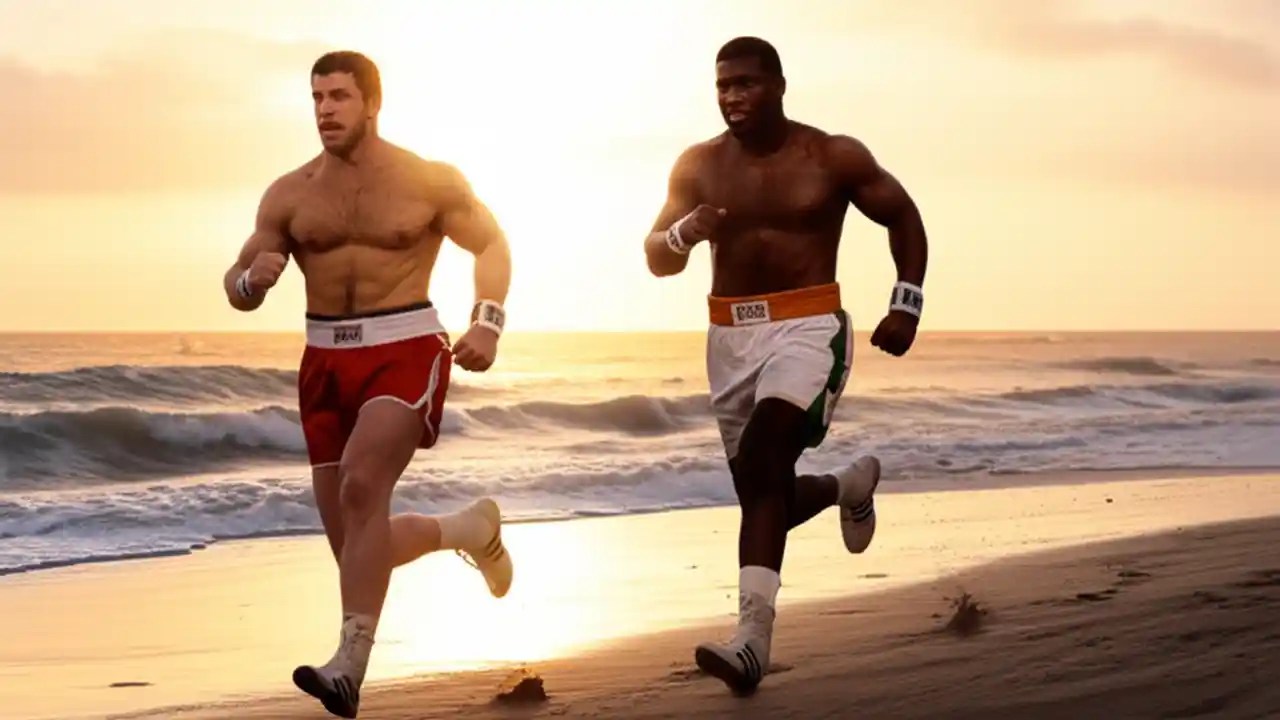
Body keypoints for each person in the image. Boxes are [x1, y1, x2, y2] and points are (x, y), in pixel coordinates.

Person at [222, 51, 515, 719]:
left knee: (361, 487)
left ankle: (349, 668)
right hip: (323, 363)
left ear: (371, 104)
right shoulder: (289, 193)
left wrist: (488, 323)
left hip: (403, 347)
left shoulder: (427, 180)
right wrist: (250, 282)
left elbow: (493, 245)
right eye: (317, 96)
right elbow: (237, 283)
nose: (325, 109)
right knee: (355, 543)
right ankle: (467, 529)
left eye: (339, 97)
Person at [642, 36, 929, 695]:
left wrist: (905, 303)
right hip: (728, 340)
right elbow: (657, 254)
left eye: (744, 84)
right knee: (761, 492)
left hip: (807, 327)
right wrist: (687, 231)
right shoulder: (698, 166)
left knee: (768, 460)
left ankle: (752, 644)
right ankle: (845, 487)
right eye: (722, 86)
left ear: (778, 85)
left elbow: (902, 214)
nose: (731, 97)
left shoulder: (830, 156)